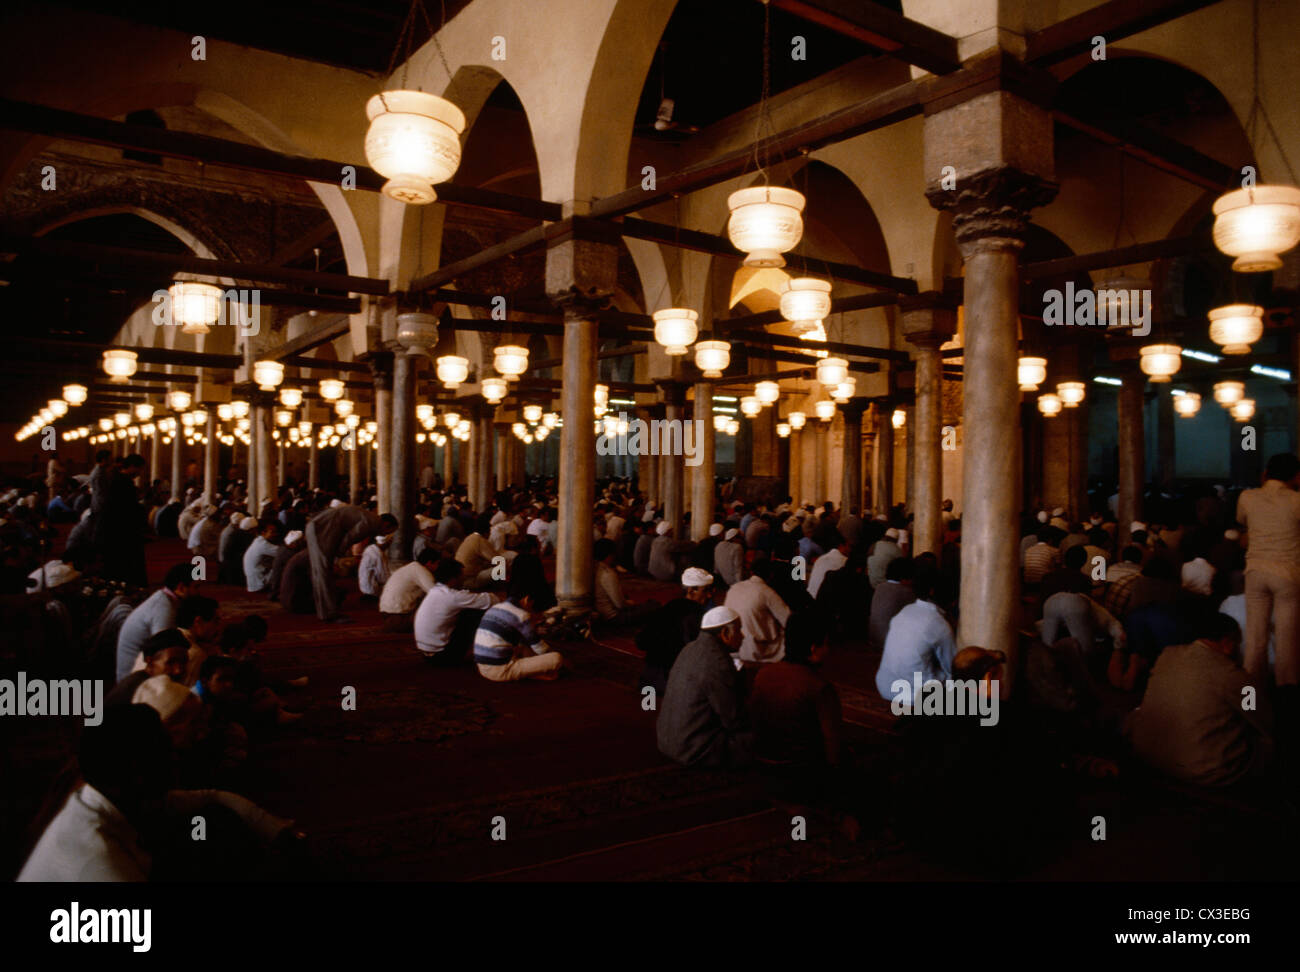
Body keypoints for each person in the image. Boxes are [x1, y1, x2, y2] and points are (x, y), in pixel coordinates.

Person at [17, 705, 297, 881]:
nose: (175, 759)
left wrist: (279, 832)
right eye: (166, 753)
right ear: (138, 771)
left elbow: (213, 797)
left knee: (214, 820)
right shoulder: (99, 863)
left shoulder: (113, 796)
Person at [1126, 613, 1273, 787]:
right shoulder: (1234, 676)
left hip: (1147, 755)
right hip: (1204, 770)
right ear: (1227, 643)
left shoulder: (1167, 655)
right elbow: (1265, 722)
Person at [656, 606, 754, 769]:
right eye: (739, 630)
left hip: (666, 740)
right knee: (764, 736)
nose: (743, 636)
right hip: (693, 749)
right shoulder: (718, 662)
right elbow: (733, 719)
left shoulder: (689, 648)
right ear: (725, 634)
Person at [1237, 453, 1300, 684]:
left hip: (1255, 571)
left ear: (1266, 473)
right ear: (1296, 476)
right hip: (1288, 574)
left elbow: (1242, 521)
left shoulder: (1247, 497)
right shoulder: (1296, 500)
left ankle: (1252, 692)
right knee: (1287, 641)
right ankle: (1286, 694)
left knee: (1255, 638)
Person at [875, 565, 956, 704]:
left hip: (884, 685)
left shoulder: (906, 610)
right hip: (915, 696)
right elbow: (953, 667)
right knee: (957, 680)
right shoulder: (939, 625)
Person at [305, 504, 395, 620]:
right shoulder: (372, 522)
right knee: (323, 573)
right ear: (386, 524)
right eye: (388, 531)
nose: (385, 535)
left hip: (317, 528)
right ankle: (329, 613)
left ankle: (324, 610)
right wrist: (339, 552)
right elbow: (350, 537)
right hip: (321, 531)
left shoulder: (370, 518)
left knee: (320, 573)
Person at [115, 563, 201, 682]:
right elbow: (166, 650)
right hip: (133, 680)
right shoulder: (163, 609)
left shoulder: (164, 600)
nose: (199, 593)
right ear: (181, 587)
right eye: (196, 587)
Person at [637, 567, 714, 698]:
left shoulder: (667, 608)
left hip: (648, 682)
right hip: (673, 685)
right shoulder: (696, 616)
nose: (709, 595)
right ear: (691, 591)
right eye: (706, 591)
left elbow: (641, 641)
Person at [472, 573, 564, 681]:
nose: (532, 608)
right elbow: (541, 649)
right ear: (527, 599)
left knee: (523, 644)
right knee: (556, 658)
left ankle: (530, 670)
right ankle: (529, 674)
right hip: (501, 670)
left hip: (482, 667)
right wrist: (558, 657)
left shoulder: (496, 607)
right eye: (532, 604)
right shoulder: (521, 615)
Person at [414, 558, 499, 663]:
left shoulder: (434, 591)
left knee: (467, 609)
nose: (463, 579)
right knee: (476, 613)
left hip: (426, 653)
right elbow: (492, 600)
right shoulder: (453, 597)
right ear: (453, 579)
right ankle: (492, 653)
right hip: (442, 656)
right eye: (461, 576)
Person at [723, 555, 791, 664]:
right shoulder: (766, 592)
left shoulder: (734, 588)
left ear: (751, 572)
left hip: (735, 645)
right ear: (771, 575)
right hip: (759, 649)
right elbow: (788, 620)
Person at [106, 629, 190, 708]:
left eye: (183, 662)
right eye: (170, 663)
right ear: (149, 661)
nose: (178, 670)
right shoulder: (145, 693)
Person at [593, 538, 656, 628]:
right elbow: (620, 605)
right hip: (613, 618)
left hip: (602, 613)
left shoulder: (594, 568)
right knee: (654, 606)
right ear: (610, 555)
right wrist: (630, 603)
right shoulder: (608, 574)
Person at [379, 547, 439, 632]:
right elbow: (437, 594)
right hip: (398, 617)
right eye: (437, 564)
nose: (438, 567)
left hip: (387, 614)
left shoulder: (411, 567)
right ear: (429, 563)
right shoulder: (421, 570)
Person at [868, 555, 917, 651]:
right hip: (889, 642)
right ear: (905, 577)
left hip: (873, 638)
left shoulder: (880, 587)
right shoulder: (905, 591)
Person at [242, 520, 282, 593]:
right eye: (272, 532)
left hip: (256, 577)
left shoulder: (258, 540)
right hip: (259, 582)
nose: (276, 534)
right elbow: (282, 553)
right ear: (263, 533)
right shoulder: (262, 545)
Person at [806, 532, 849, 600]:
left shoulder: (820, 559)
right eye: (849, 546)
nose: (850, 550)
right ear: (841, 546)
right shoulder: (845, 561)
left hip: (809, 598)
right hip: (822, 602)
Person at [357, 534, 391, 600]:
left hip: (363, 587)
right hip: (372, 590)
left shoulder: (370, 548)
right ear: (386, 543)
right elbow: (383, 577)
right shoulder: (378, 555)